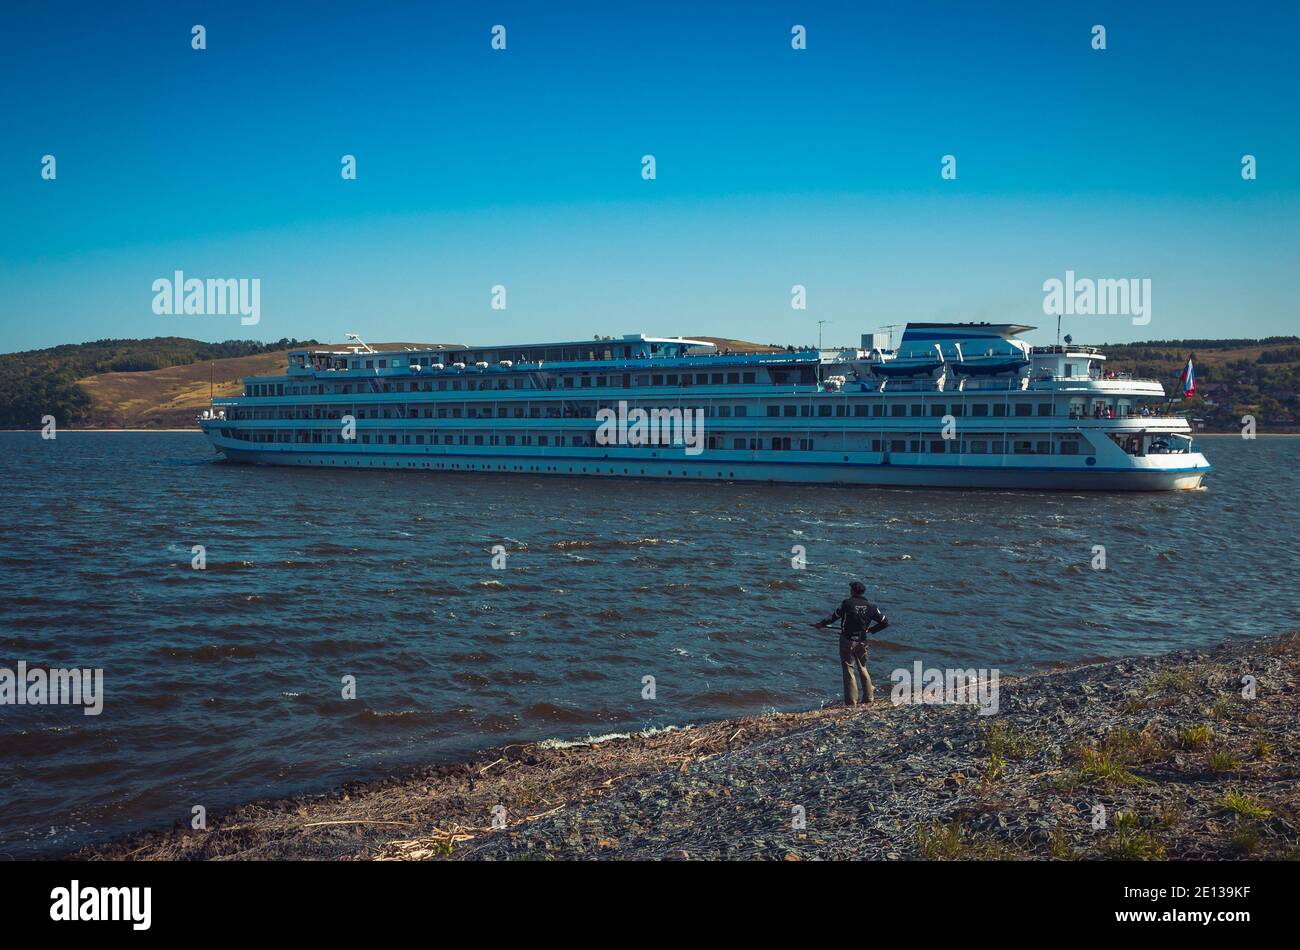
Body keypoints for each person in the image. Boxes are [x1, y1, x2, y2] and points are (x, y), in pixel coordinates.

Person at [812, 581, 889, 706]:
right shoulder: (872, 606)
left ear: (852, 591)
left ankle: (851, 702)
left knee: (849, 669)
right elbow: (885, 622)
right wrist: (871, 630)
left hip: (847, 640)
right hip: (862, 641)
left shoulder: (847, 603)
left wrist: (821, 624)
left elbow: (834, 617)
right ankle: (869, 698)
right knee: (863, 668)